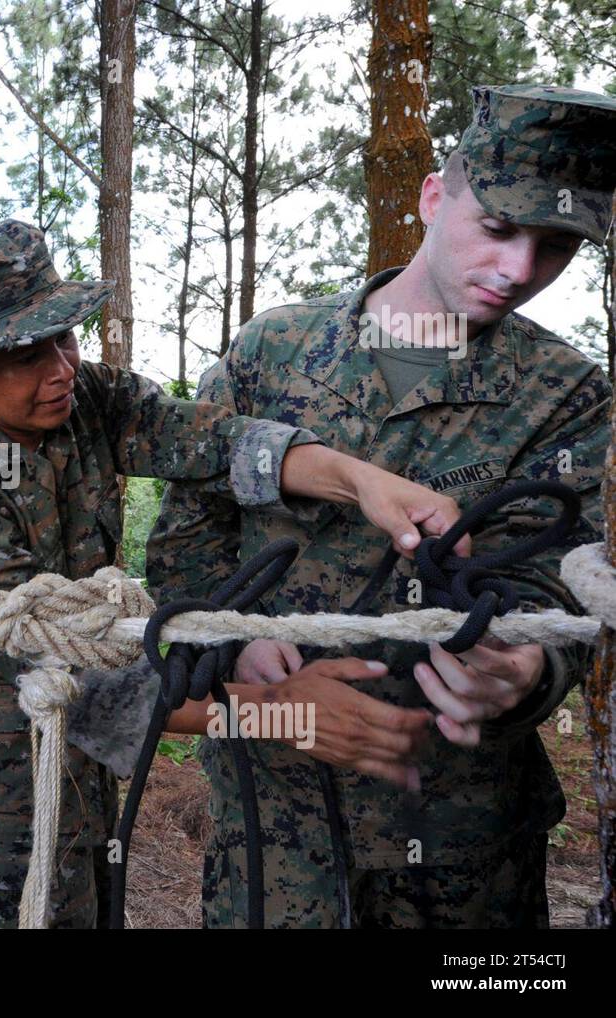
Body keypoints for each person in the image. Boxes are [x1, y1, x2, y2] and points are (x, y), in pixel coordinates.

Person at [0, 218, 468, 929]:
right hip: (7, 732)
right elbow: (76, 677)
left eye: (64, 338)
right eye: (25, 355)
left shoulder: (88, 400)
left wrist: (359, 480)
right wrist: (283, 713)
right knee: (35, 894)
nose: (61, 368)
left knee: (99, 880)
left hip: (89, 696)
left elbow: (214, 442)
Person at [147, 84, 616, 928]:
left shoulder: (572, 397)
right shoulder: (274, 350)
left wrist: (527, 672)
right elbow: (188, 538)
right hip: (273, 827)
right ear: (436, 196)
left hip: (460, 843)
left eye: (556, 247)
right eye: (501, 229)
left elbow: (569, 584)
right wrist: (237, 641)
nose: (519, 270)